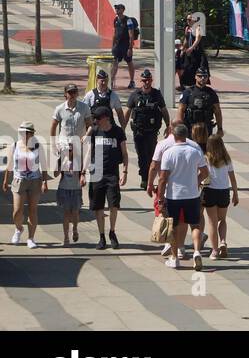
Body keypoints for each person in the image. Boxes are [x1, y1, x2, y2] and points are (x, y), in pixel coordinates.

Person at [158, 124, 209, 271]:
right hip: (192, 194)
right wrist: (196, 181)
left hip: (174, 195)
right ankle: (197, 252)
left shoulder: (169, 153)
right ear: (187, 135)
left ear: (174, 135)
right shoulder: (195, 151)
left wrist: (160, 199)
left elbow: (163, 178)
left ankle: (174, 258)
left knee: (173, 227)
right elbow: (205, 172)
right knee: (195, 224)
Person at [85, 107, 128, 251]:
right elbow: (90, 151)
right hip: (96, 173)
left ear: (106, 118)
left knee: (113, 205)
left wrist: (125, 171)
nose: (95, 120)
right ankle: (102, 236)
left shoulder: (118, 132)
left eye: (97, 118)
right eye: (94, 118)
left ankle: (112, 232)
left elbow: (125, 153)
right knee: (98, 206)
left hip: (112, 174)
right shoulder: (95, 131)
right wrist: (83, 172)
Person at [124, 69, 169, 190]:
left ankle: (149, 178)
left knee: (151, 156)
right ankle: (144, 178)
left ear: (151, 81)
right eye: (144, 80)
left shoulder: (157, 95)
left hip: (152, 131)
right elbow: (127, 112)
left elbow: (164, 110)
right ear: (141, 81)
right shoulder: (135, 95)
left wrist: (168, 126)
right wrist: (122, 127)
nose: (146, 82)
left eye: (148, 80)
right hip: (138, 131)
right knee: (141, 156)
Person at [5, 122, 46, 248]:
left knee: (33, 210)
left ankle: (31, 238)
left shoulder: (38, 146)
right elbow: (10, 164)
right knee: (17, 212)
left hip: (35, 181)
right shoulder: (15, 145)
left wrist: (44, 182)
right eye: (21, 132)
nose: (23, 135)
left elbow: (43, 166)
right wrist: (5, 181)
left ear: (32, 133)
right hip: (18, 180)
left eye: (26, 133)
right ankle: (19, 229)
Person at [202, 135, 238, 259]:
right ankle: (223, 241)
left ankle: (215, 251)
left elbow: (201, 175)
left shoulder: (205, 159)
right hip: (224, 192)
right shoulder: (227, 159)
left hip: (210, 191)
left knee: (212, 222)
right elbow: (232, 178)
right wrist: (235, 194)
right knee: (222, 220)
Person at [54, 140, 83, 246]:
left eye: (70, 150)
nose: (68, 152)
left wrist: (82, 179)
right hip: (64, 189)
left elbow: (83, 174)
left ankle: (75, 229)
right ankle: (66, 237)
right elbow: (55, 174)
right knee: (66, 213)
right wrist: (61, 162)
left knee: (75, 213)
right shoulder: (61, 160)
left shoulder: (78, 160)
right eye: (66, 150)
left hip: (76, 189)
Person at [178, 68, 222, 138]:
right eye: (200, 76)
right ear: (195, 77)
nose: (202, 78)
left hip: (206, 127)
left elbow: (217, 111)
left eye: (205, 76)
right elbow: (181, 110)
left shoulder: (211, 93)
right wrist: (181, 128)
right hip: (191, 127)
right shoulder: (188, 92)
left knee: (206, 148)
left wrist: (220, 128)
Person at [109, 3, 139, 90]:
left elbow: (131, 35)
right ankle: (111, 82)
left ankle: (132, 81)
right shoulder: (115, 20)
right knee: (115, 63)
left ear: (123, 10)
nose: (117, 10)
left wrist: (130, 48)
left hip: (126, 46)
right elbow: (115, 33)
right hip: (117, 46)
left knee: (129, 62)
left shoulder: (128, 20)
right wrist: (113, 46)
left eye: (118, 8)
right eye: (116, 9)